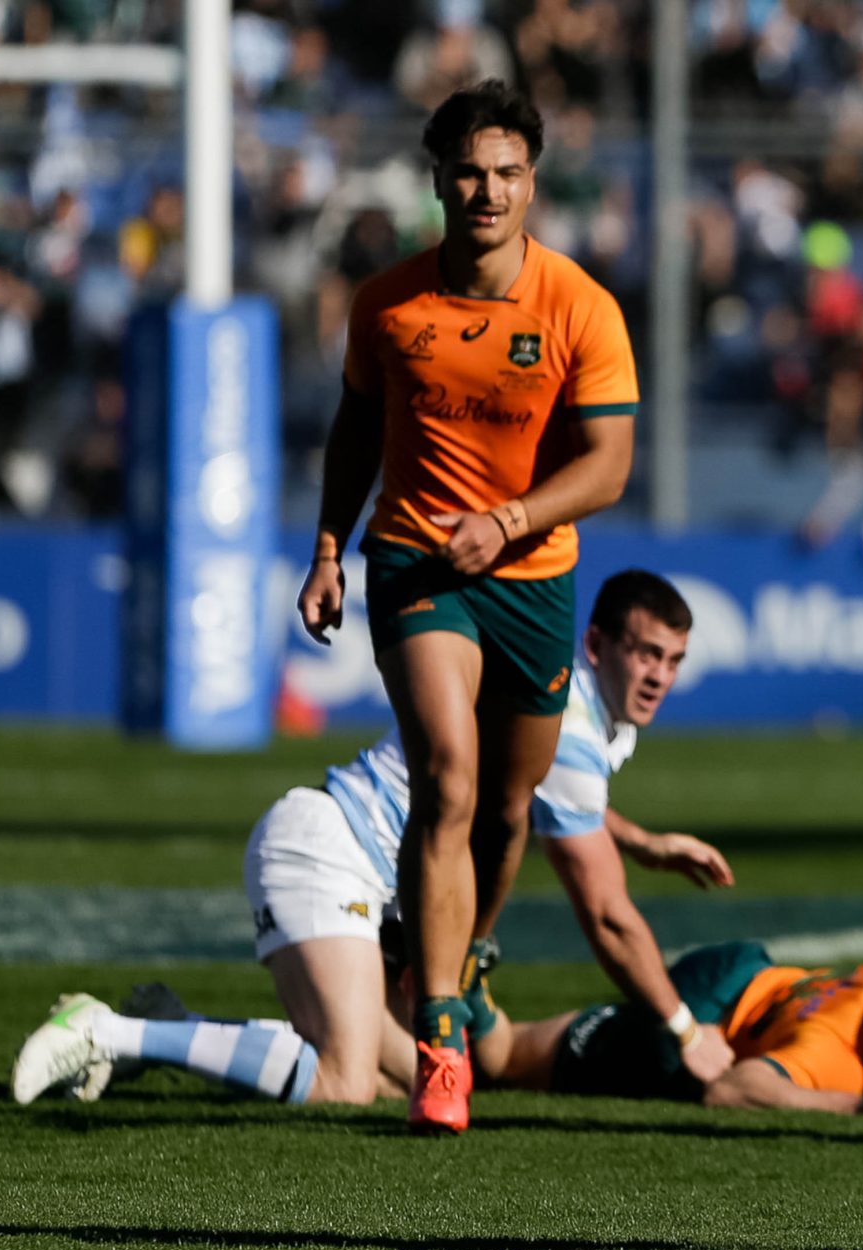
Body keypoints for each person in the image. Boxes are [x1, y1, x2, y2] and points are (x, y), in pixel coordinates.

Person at [12, 572, 735, 1110]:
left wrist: (640, 840)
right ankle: (108, 1031)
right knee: (347, 1080)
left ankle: (169, 1024)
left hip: (365, 874)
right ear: (597, 644)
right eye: (645, 653)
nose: (658, 676)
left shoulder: (570, 709)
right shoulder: (573, 732)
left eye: (672, 659)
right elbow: (609, 916)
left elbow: (537, 787)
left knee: (405, 1081)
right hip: (328, 853)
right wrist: (683, 1028)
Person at [294, 81, 638, 1133]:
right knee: (445, 777)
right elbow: (355, 433)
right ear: (437, 181)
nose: (486, 192)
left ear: (532, 181)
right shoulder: (387, 304)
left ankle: (463, 953)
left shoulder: (579, 305)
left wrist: (514, 518)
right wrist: (326, 547)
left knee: (506, 810)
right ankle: (442, 1035)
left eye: (506, 173)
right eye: (467, 173)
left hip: (533, 579)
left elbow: (609, 465)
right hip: (417, 564)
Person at [475, 942, 863, 1117]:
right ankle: (452, 975)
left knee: (404, 1081)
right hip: (708, 1013)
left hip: (755, 971)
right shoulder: (832, 1052)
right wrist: (857, 1103)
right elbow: (731, 1089)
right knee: (502, 1062)